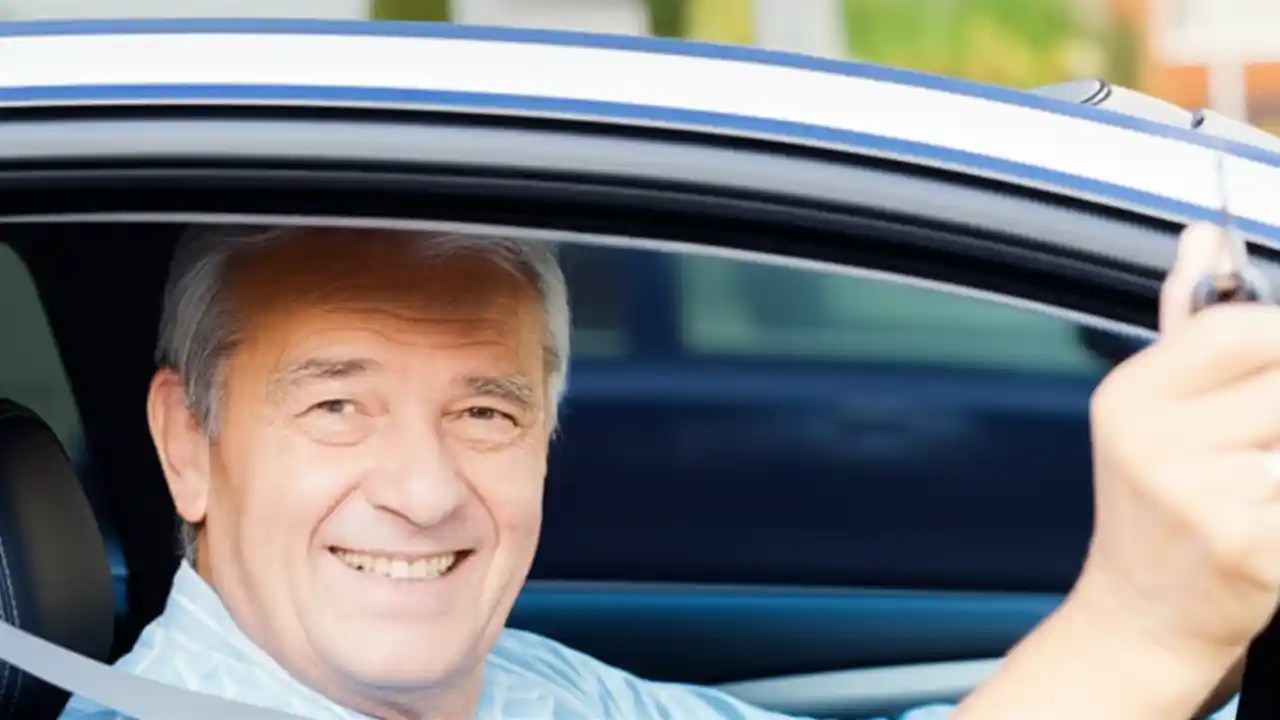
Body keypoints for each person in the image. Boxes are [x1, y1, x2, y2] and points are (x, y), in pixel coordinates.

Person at [59, 221, 1271, 720]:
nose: (422, 492)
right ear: (187, 446)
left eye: (484, 410)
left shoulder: (528, 688)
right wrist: (1141, 628)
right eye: (337, 407)